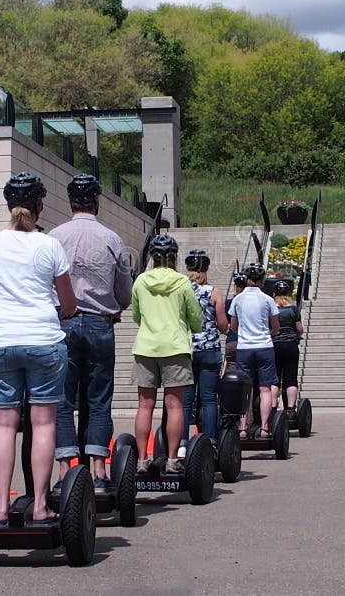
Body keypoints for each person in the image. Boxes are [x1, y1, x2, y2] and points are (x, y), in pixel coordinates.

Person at [0, 172, 77, 524]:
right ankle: (39, 506)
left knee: (4, 425)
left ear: (8, 206)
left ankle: (1, 507)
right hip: (43, 341)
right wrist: (59, 311)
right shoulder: (49, 245)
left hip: (1, 342)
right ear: (39, 205)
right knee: (44, 422)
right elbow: (68, 302)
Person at [51, 174, 133, 494]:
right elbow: (124, 292)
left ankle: (64, 471)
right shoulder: (112, 239)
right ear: (97, 202)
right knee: (98, 399)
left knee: (62, 399)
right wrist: (113, 304)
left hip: (65, 322)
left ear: (71, 202)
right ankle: (98, 472)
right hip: (100, 323)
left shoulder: (55, 237)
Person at [132, 234, 202, 474]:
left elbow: (136, 316)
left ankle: (142, 459)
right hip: (175, 347)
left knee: (144, 406)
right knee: (175, 406)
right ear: (174, 257)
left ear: (152, 257)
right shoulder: (182, 282)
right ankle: (172, 459)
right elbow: (196, 318)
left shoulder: (141, 281)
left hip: (146, 347)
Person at [179, 248, 228, 457]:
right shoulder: (214, 292)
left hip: (186, 349)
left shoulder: (180, 289)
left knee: (185, 400)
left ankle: (181, 444)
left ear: (188, 268)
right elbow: (223, 325)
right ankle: (210, 442)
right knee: (209, 398)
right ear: (206, 269)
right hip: (209, 349)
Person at [228, 262, 279, 439]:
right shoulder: (268, 299)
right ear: (262, 280)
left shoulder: (238, 299)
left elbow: (233, 326)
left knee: (245, 389)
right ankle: (265, 428)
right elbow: (275, 326)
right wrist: (267, 333)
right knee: (265, 389)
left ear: (247, 279)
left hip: (245, 348)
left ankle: (243, 427)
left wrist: (243, 333)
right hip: (264, 346)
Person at [270, 279, 304, 419]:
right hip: (290, 345)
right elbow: (300, 329)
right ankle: (290, 409)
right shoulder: (293, 309)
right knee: (290, 378)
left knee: (274, 379)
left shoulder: (272, 309)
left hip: (275, 345)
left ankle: (272, 407)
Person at [224, 271, 247, 370]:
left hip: (232, 340)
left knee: (231, 371)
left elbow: (223, 324)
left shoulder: (228, 303)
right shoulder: (251, 302)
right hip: (248, 341)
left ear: (235, 286)